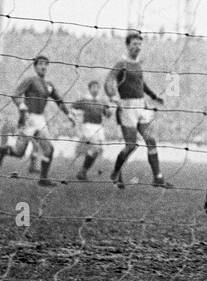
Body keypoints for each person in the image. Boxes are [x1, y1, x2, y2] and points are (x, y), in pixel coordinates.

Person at [0, 55, 73, 186]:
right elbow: (16, 94)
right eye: (40, 64)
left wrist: (69, 114)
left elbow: (59, 101)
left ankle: (43, 178)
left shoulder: (48, 85)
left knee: (48, 149)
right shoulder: (31, 80)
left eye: (45, 64)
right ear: (35, 66)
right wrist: (21, 105)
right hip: (28, 119)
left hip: (40, 120)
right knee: (19, 152)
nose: (43, 66)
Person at [105, 30, 171, 188]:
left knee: (151, 140)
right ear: (128, 46)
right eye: (134, 44)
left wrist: (154, 96)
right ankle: (115, 173)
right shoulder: (122, 64)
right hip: (127, 108)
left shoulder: (138, 64)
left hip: (141, 106)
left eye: (140, 44)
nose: (138, 47)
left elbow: (141, 84)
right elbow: (109, 80)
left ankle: (158, 178)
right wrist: (112, 95)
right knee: (131, 146)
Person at [72, 80, 111, 180]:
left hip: (98, 126)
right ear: (89, 89)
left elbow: (107, 114)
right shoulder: (85, 100)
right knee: (95, 147)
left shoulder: (101, 101)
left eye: (97, 87)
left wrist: (108, 111)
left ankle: (83, 172)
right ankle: (82, 171)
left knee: (97, 150)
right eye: (93, 87)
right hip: (88, 126)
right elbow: (73, 107)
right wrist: (75, 118)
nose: (96, 89)